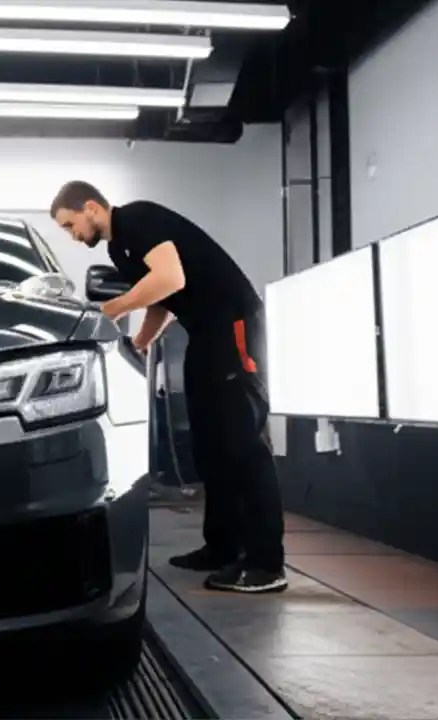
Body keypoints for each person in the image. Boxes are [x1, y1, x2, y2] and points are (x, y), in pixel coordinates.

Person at [49, 180, 287, 593]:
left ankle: (267, 564)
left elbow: (170, 278)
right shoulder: (116, 248)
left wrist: (110, 310)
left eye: (71, 226)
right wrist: (139, 342)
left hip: (233, 323)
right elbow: (162, 299)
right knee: (209, 445)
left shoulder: (136, 219)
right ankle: (223, 546)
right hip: (203, 332)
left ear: (91, 208)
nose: (72, 236)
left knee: (241, 444)